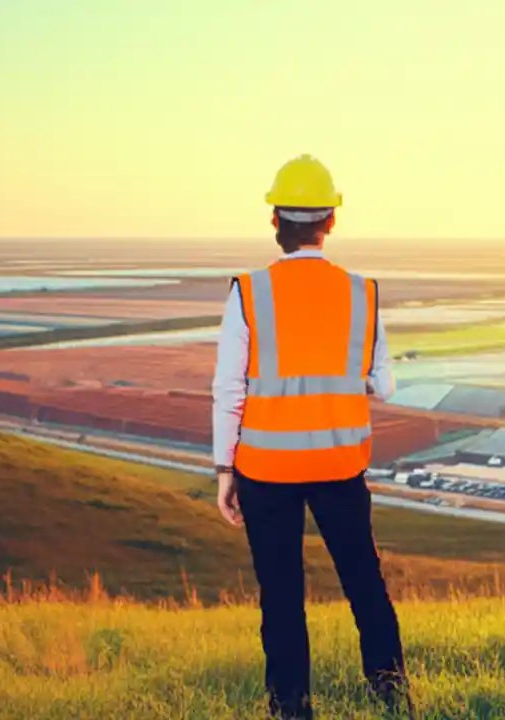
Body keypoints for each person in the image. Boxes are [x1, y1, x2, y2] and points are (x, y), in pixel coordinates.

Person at [211, 154, 409, 719]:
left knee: (281, 595)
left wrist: (226, 472)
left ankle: (292, 709)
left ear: (276, 221)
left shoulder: (248, 292)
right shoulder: (362, 293)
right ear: (331, 222)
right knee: (365, 585)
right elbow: (385, 385)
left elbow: (229, 389)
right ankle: (392, 696)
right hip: (340, 467)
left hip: (266, 472)